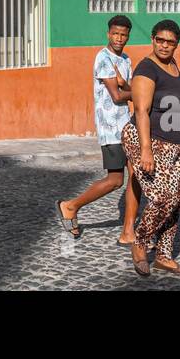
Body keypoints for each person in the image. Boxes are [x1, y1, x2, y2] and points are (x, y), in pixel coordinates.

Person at [56, 15, 140, 244]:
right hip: (111, 128)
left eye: (123, 34)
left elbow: (129, 88)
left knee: (136, 176)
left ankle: (128, 230)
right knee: (115, 180)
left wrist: (127, 86)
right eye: (115, 33)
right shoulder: (103, 58)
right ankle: (70, 206)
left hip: (128, 127)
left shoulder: (126, 59)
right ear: (108, 34)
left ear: (128, 36)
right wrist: (133, 89)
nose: (119, 38)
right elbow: (119, 95)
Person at [121, 19, 180, 277]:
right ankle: (140, 243)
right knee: (161, 197)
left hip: (175, 143)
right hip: (148, 140)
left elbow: (174, 99)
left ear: (176, 44)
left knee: (176, 201)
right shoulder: (146, 68)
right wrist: (145, 150)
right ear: (152, 39)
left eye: (170, 41)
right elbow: (141, 110)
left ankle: (164, 255)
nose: (164, 45)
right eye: (160, 40)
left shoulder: (173, 65)